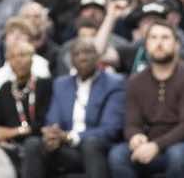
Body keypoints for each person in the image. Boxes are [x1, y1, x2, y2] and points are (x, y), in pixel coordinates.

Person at [106, 23, 184, 178]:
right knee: (118, 155)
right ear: (146, 44)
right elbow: (131, 123)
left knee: (178, 155)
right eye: (153, 38)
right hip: (150, 144)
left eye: (165, 38)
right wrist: (135, 136)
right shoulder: (136, 81)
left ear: (176, 45)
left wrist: (156, 146)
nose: (159, 43)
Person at [23, 38, 123, 178]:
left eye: (87, 52)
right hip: (66, 148)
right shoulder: (61, 84)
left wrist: (70, 137)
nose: (82, 57)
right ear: (71, 59)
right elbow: (53, 118)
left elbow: (111, 129)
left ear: (97, 56)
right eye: (77, 54)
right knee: (33, 144)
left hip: (96, 149)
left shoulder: (114, 83)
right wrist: (52, 133)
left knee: (91, 144)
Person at [0, 37, 51, 178]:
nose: (18, 60)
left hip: (35, 142)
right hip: (10, 144)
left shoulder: (44, 85)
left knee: (29, 145)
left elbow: (43, 122)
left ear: (32, 58)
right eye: (13, 57)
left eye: (22, 55)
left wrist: (14, 132)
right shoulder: (6, 88)